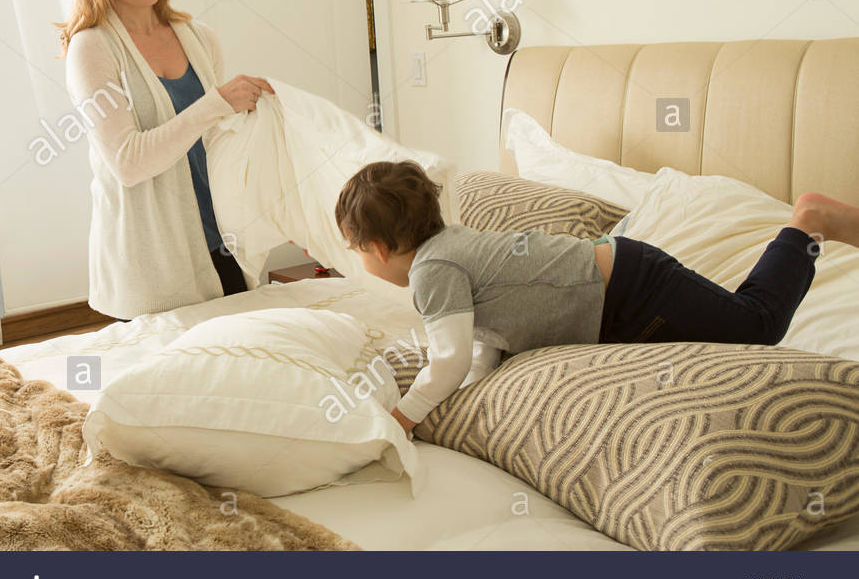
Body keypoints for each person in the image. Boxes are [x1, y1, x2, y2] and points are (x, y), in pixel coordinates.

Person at [334, 160, 859, 436]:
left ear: (377, 248)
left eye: (355, 249)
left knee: (757, 327)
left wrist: (405, 416)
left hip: (633, 289)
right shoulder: (447, 251)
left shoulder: (433, 269)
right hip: (622, 287)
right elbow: (479, 343)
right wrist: (468, 396)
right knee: (740, 326)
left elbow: (446, 359)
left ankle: (808, 225)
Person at [58, 0, 274, 320]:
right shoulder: (91, 49)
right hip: (151, 266)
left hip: (222, 245)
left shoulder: (199, 38)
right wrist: (215, 103)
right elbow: (128, 163)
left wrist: (287, 214)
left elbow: (225, 145)